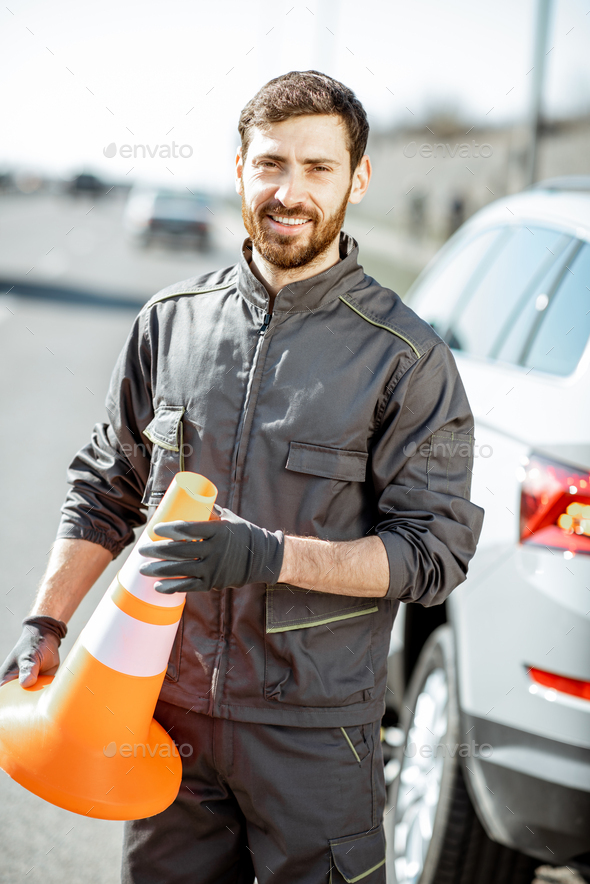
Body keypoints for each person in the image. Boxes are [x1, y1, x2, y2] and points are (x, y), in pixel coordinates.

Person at [0, 71, 484, 883]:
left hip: (314, 740)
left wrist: (269, 555)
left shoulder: (406, 359)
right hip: (162, 723)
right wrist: (46, 622)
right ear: (239, 169)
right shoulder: (170, 321)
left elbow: (433, 556)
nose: (289, 191)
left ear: (357, 179)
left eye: (317, 168)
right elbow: (106, 485)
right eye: (270, 164)